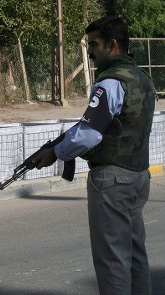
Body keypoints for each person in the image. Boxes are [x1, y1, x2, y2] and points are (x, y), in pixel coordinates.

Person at [33, 16, 156, 294]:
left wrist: (57, 152)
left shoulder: (110, 82)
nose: (89, 51)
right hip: (138, 176)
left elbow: (89, 134)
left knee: (113, 262)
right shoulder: (142, 77)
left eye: (94, 44)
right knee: (136, 257)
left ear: (112, 45)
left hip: (112, 179)